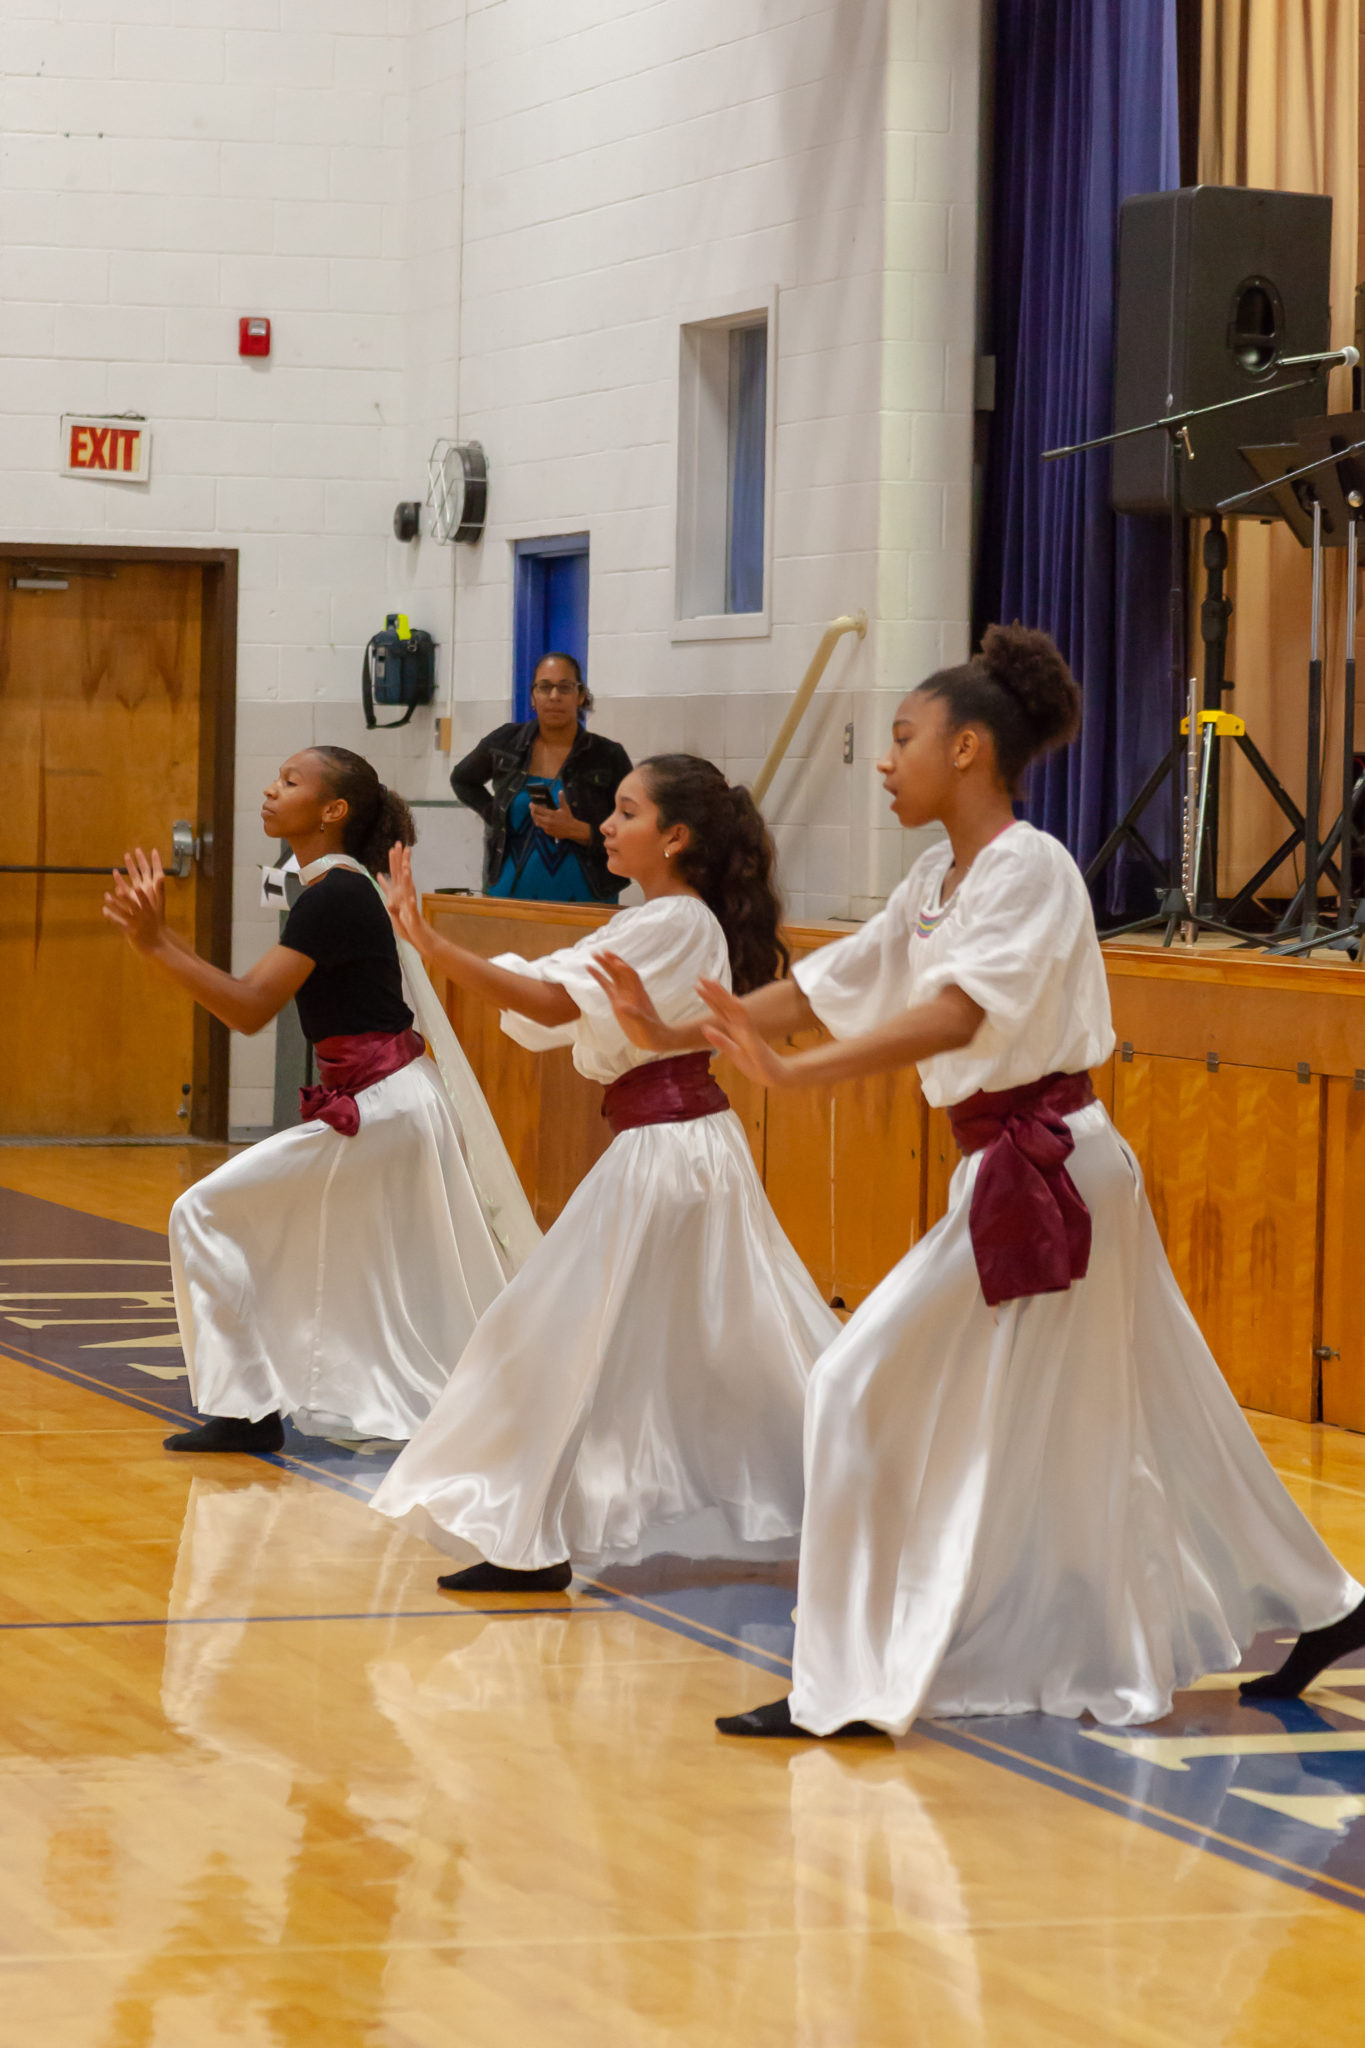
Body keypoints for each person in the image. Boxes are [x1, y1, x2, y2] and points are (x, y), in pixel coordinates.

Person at [598, 627, 1365, 1737]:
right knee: (1166, 1408)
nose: (884, 757)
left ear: (966, 748)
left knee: (854, 1384)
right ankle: (1327, 1602)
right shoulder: (933, 879)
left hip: (1051, 1161)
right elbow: (824, 983)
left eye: (902, 737)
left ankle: (846, 1683)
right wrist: (674, 1031)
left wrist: (801, 1073)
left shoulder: (1031, 867)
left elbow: (959, 1013)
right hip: (1036, 1164)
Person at [368, 754, 842, 1590]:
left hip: (668, 1150)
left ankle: (532, 1536)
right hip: (678, 1144)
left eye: (626, 813)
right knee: (730, 1338)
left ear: (676, 836)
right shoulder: (661, 919)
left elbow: (552, 1004)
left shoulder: (671, 922)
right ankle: (854, 1496)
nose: (608, 826)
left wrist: (428, 940)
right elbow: (554, 1002)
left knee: (553, 1332)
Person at [102, 745, 539, 1453]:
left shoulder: (335, 895)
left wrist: (157, 945)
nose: (270, 791)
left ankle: (247, 1413)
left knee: (204, 1212)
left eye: (290, 782)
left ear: (333, 811)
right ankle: (264, 1406)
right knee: (361, 1261)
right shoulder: (337, 887)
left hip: (383, 1108)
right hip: (386, 1103)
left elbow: (248, 1007)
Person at [449, 652, 633, 903]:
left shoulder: (607, 755)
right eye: (545, 687)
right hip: (508, 896)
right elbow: (462, 779)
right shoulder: (506, 742)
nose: (554, 696)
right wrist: (496, 815)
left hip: (589, 900)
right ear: (533, 697)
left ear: (580, 696)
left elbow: (633, 829)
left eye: (565, 687)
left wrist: (582, 831)